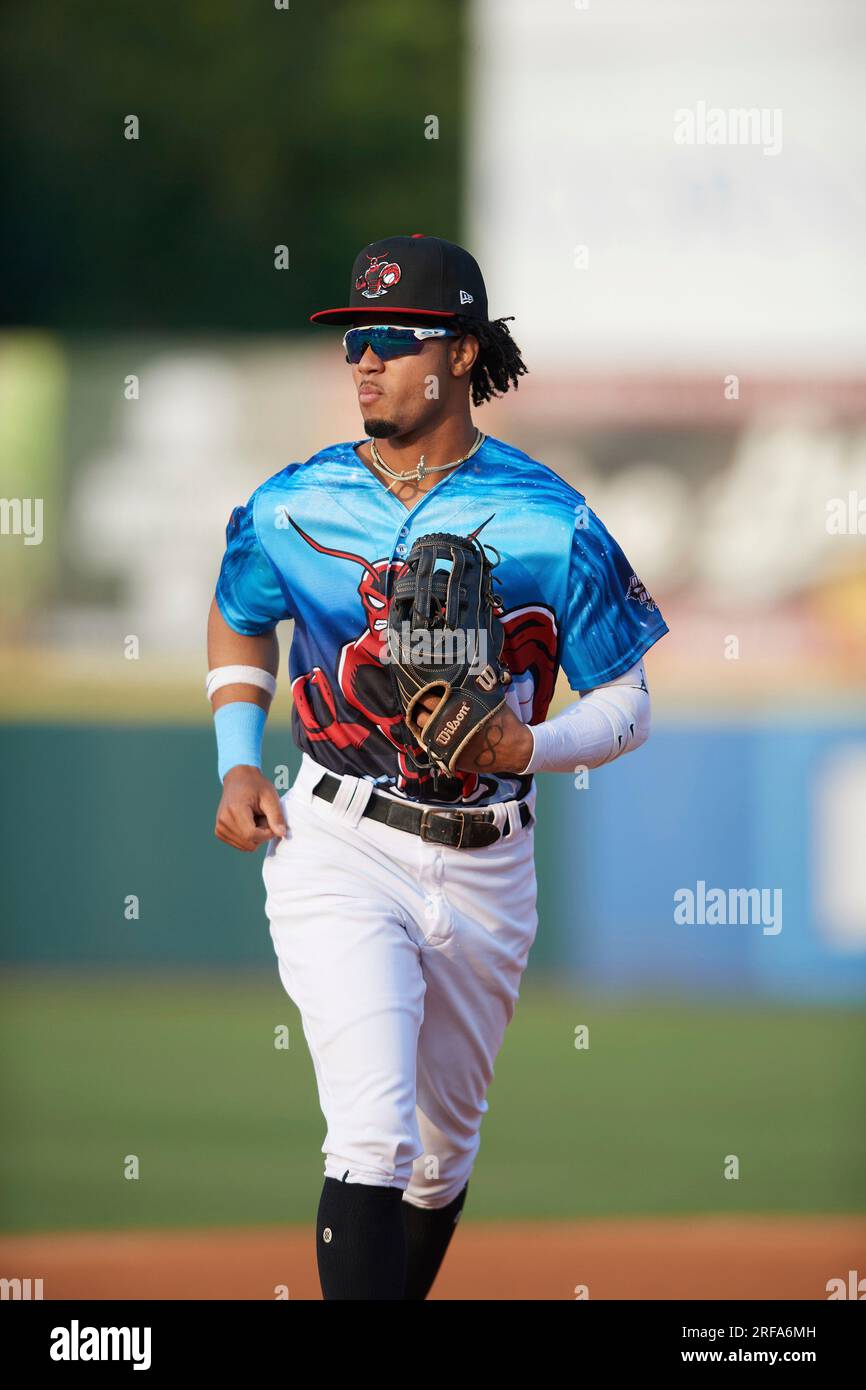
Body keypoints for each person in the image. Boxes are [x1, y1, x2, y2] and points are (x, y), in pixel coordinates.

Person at [206, 234, 668, 1300]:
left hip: (488, 860)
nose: (362, 361)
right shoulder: (294, 502)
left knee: (437, 1156)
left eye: (388, 338)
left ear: (459, 353)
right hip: (339, 836)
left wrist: (530, 746)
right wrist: (237, 761)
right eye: (351, 341)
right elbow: (238, 621)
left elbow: (627, 702)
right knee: (368, 1133)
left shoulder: (552, 518)